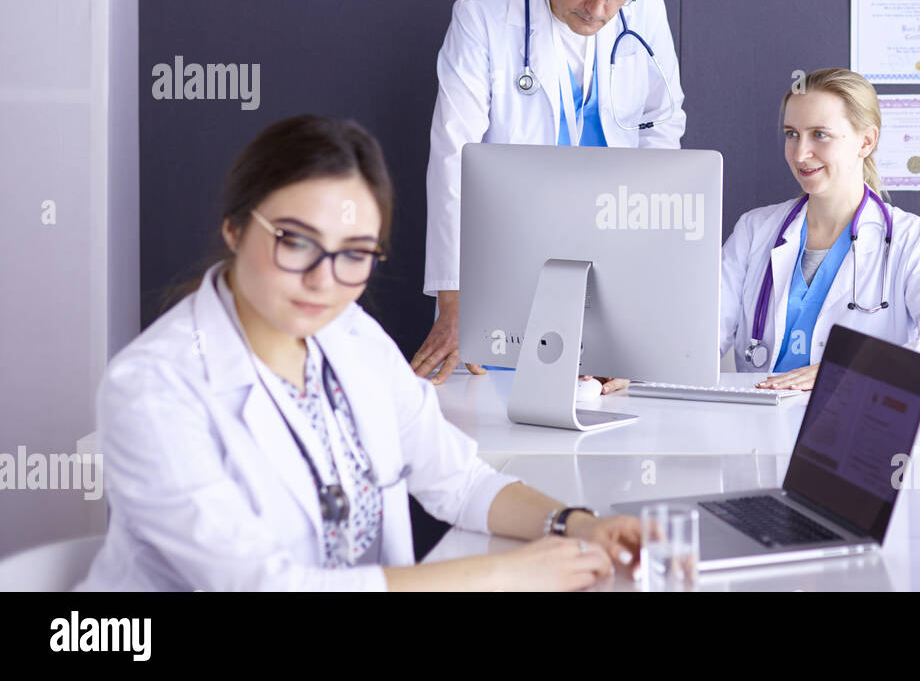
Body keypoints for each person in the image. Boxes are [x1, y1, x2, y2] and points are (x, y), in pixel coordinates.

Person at [77, 115, 639, 591]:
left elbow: (459, 482)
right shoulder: (152, 387)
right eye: (296, 241)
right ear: (234, 227)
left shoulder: (352, 336)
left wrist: (575, 525)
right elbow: (262, 586)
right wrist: (500, 576)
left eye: (355, 253)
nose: (325, 280)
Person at [415, 0, 686, 387]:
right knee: (500, 400)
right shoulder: (483, 14)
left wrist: (646, 266)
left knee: (608, 406)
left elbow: (662, 126)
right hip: (509, 246)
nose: (600, 7)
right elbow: (455, 155)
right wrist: (455, 296)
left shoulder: (647, 7)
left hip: (610, 242)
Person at [719, 69, 920, 390]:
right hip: (758, 422)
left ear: (866, 141)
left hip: (853, 424)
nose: (800, 154)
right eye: (791, 134)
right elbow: (701, 338)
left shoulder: (912, 240)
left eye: (820, 134)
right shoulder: (753, 231)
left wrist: (853, 368)